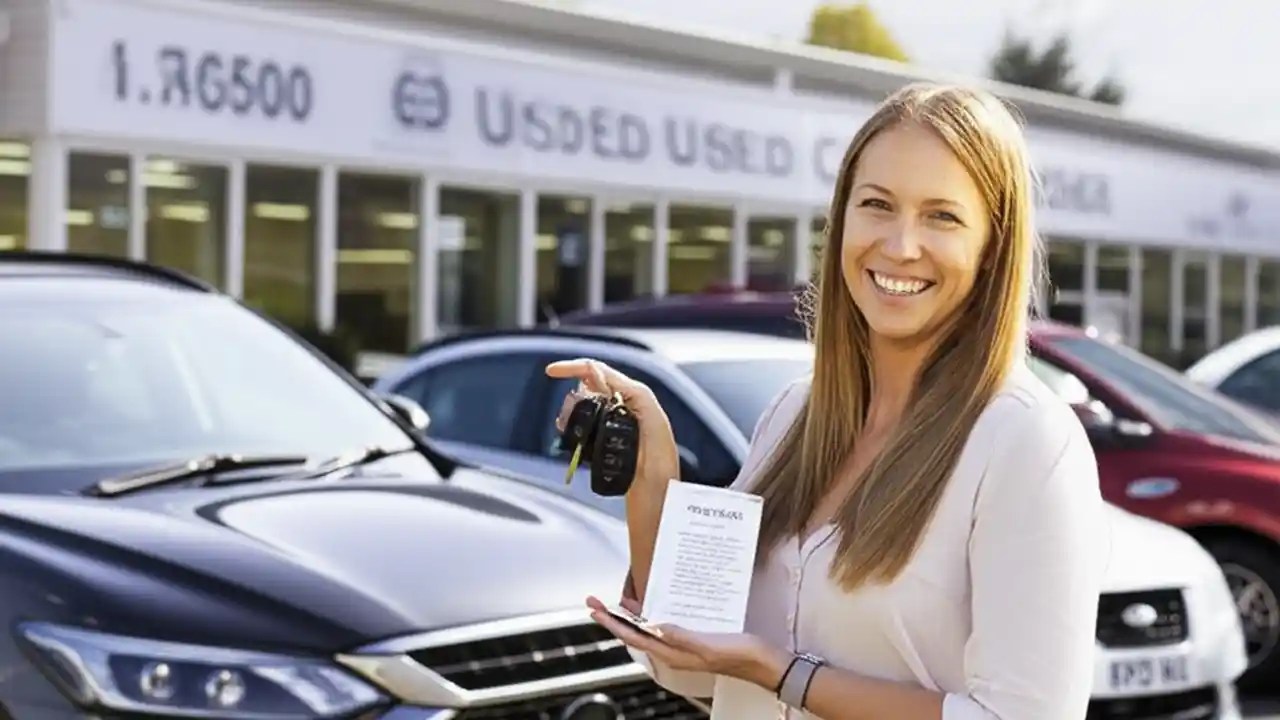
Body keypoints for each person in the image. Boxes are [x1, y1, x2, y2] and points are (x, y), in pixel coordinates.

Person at [546, 82, 1109, 720]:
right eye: (877, 205)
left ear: (991, 248)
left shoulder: (1026, 442)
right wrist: (653, 479)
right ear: (841, 219)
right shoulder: (792, 416)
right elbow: (692, 669)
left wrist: (782, 673)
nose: (900, 245)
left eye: (941, 216)